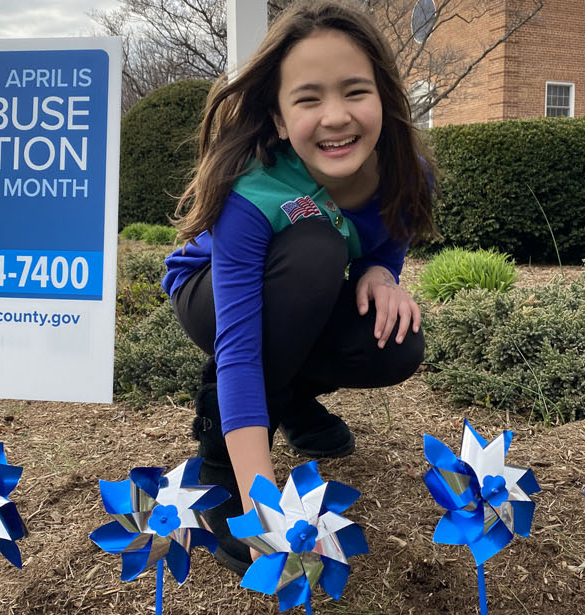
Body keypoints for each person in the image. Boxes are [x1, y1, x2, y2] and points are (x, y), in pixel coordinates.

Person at [160, 0, 438, 574]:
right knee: (315, 247)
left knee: (397, 341)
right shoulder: (253, 192)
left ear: (384, 96)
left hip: (299, 291)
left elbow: (383, 247)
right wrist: (265, 507)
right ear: (281, 120)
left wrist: (383, 274)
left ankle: (290, 402)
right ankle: (217, 455)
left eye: (355, 91)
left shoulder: (409, 172)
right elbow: (238, 352)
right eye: (309, 98)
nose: (336, 116)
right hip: (211, 293)